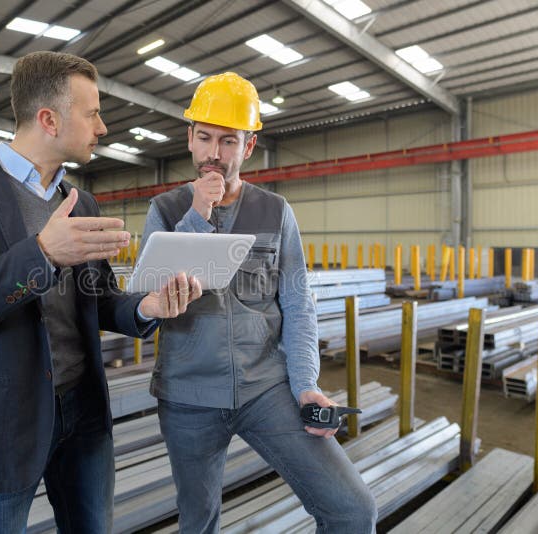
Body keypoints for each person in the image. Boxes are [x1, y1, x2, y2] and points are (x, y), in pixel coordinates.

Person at [0, 51, 201, 533]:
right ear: (48, 119)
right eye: (92, 113)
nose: (102, 127)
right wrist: (40, 254)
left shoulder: (78, 201)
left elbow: (98, 296)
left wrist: (145, 305)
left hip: (81, 413)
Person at [142, 72, 377, 533]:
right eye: (205, 137)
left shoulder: (275, 210)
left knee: (352, 509)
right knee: (198, 522)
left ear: (248, 148)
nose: (214, 153)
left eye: (228, 142)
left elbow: (297, 302)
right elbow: (148, 297)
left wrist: (305, 383)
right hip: (188, 395)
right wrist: (197, 216)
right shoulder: (165, 211)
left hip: (265, 388)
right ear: (189, 139)